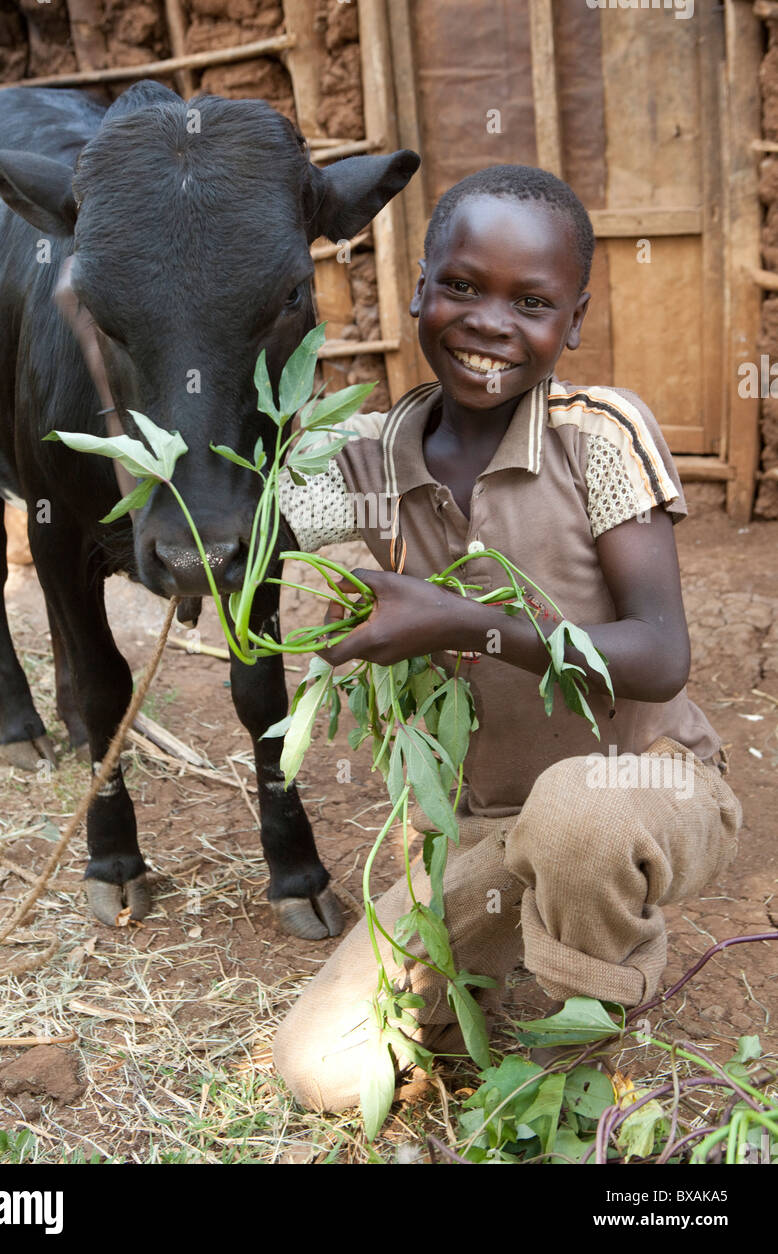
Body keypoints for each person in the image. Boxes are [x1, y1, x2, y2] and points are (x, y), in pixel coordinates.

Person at [271, 165, 742, 1113]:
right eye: (461, 286)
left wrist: (464, 623)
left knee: (581, 817)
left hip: (643, 784)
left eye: (531, 302)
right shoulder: (366, 455)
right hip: (479, 829)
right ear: (418, 289)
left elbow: (659, 651)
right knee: (323, 1070)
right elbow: (235, 526)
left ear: (572, 321)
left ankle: (588, 1050)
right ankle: (506, 938)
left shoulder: (599, 436)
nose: (490, 322)